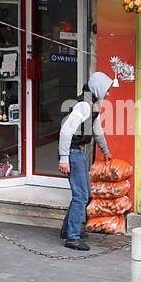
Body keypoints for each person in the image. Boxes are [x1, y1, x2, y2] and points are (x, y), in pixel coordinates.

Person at [58, 71, 115, 251]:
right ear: (98, 88)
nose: (109, 93)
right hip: (73, 153)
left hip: (79, 152)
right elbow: (66, 131)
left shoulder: (93, 105)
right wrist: (64, 158)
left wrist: (106, 151)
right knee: (81, 195)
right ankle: (72, 238)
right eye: (107, 90)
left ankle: (67, 229)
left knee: (82, 193)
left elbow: (97, 131)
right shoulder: (84, 105)